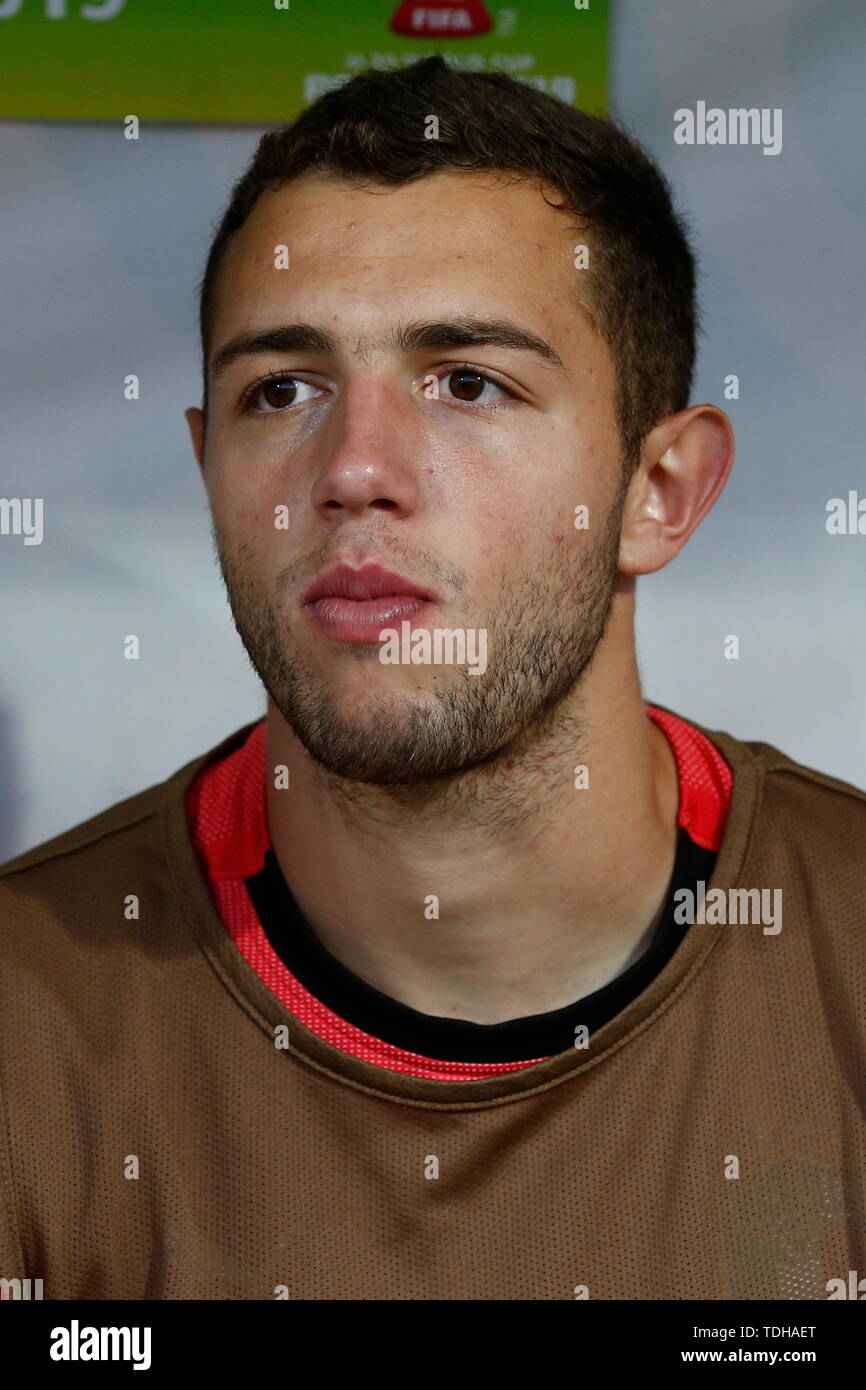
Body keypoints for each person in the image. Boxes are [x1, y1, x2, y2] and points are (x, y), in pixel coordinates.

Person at [1, 56, 863, 1302]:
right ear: (207, 471)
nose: (353, 468)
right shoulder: (30, 1023)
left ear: (655, 491)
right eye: (280, 390)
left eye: (468, 382)